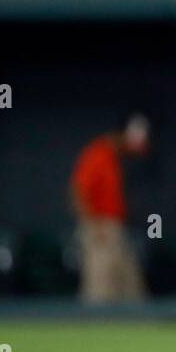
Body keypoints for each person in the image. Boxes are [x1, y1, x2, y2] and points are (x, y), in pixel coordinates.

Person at [70, 115, 150, 304]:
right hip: (99, 226)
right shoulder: (97, 154)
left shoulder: (115, 157)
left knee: (130, 287)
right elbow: (78, 191)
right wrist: (92, 224)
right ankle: (91, 331)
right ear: (121, 134)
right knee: (100, 288)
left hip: (115, 228)